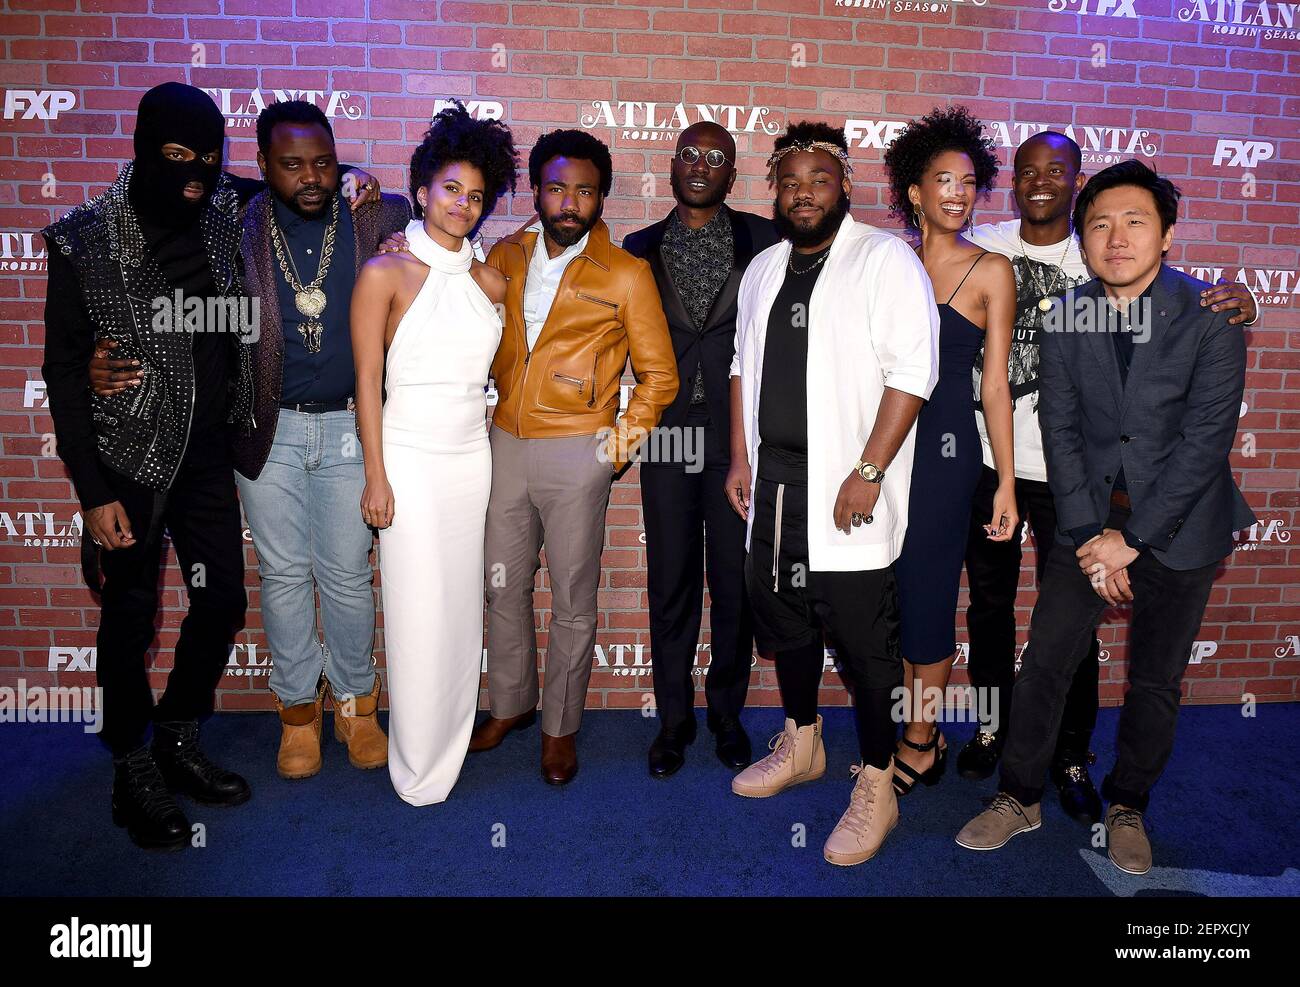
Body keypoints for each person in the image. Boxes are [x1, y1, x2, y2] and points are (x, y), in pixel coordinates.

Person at [955, 160, 1257, 875]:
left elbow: (1205, 442)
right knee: (1046, 662)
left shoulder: (1212, 316)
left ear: (1167, 235)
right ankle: (1019, 794)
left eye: (1134, 222)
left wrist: (1133, 540)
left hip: (1181, 528)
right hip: (1088, 522)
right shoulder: (1066, 314)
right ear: (1083, 238)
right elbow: (1059, 430)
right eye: (1099, 225)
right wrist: (1093, 537)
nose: (1116, 238)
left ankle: (1128, 804)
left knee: (1155, 679)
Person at [89, 100, 399, 783]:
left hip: (352, 426)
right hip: (266, 428)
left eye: (324, 162)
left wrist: (360, 173)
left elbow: (417, 210)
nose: (311, 177)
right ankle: (297, 711)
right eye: (292, 165)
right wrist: (93, 354)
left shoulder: (373, 215)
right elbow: (147, 221)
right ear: (261, 166)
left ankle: (357, 703)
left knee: (348, 575)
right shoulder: (233, 218)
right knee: (283, 574)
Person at [42, 82, 255, 850]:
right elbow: (64, 369)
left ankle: (176, 734)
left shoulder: (225, 204)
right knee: (129, 617)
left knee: (222, 600)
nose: (193, 173)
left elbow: (302, 181)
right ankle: (131, 763)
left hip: (206, 457)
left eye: (208, 156)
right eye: (175, 155)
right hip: (128, 458)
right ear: (143, 149)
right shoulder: (86, 239)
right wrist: (91, 493)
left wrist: (360, 180)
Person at [727, 121, 940, 866]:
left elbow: (914, 371)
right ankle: (804, 742)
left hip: (848, 487)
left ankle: (878, 782)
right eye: (790, 182)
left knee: (865, 643)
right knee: (786, 621)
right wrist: (739, 457)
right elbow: (740, 367)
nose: (804, 193)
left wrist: (870, 470)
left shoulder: (884, 258)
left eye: (819, 179)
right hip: (775, 483)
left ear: (844, 185)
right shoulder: (764, 267)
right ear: (775, 191)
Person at [467, 129, 678, 786]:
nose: (569, 202)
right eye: (557, 188)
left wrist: (610, 453)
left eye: (585, 191)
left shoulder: (626, 273)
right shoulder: (504, 254)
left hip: (579, 451)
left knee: (573, 599)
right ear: (536, 190)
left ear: (600, 197)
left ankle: (559, 726)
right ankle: (511, 705)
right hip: (504, 443)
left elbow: (659, 377)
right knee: (502, 585)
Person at [350, 102, 514, 805]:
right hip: (408, 461)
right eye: (450, 188)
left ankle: (450, 740)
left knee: (459, 612)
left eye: (475, 195)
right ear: (420, 191)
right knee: (417, 613)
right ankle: (417, 764)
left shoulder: (491, 283)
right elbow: (367, 382)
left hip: (470, 461)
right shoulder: (384, 273)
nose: (462, 205)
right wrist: (376, 476)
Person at [623, 121, 780, 778]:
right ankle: (673, 719)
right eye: (689, 153)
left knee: (735, 584)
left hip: (736, 433)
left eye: (715, 157)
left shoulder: (764, 240)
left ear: (731, 174)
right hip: (667, 433)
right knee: (672, 581)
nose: (699, 164)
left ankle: (725, 713)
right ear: (672, 165)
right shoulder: (637, 248)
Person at [882, 106, 1018, 798]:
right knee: (895, 593)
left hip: (945, 451)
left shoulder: (992, 270)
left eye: (968, 182)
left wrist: (1006, 482)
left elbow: (994, 385)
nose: (958, 192)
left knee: (931, 592)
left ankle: (920, 737)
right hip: (883, 447)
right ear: (915, 190)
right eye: (943, 179)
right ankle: (915, 728)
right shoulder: (886, 262)